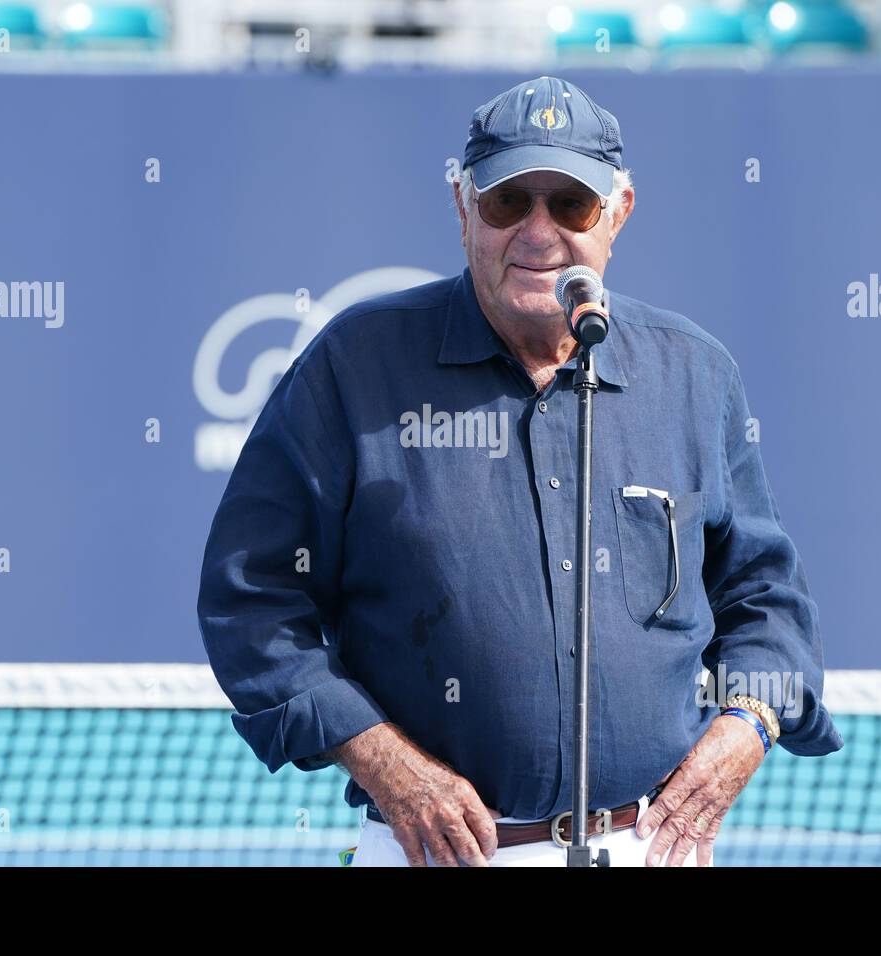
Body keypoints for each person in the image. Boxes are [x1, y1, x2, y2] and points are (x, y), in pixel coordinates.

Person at [198, 75, 843, 867]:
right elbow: (252, 602)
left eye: (570, 203)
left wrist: (745, 727)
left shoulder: (695, 375)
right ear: (463, 208)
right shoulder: (354, 367)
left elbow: (766, 600)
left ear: (619, 213)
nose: (539, 233)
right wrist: (387, 764)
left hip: (652, 849)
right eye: (509, 202)